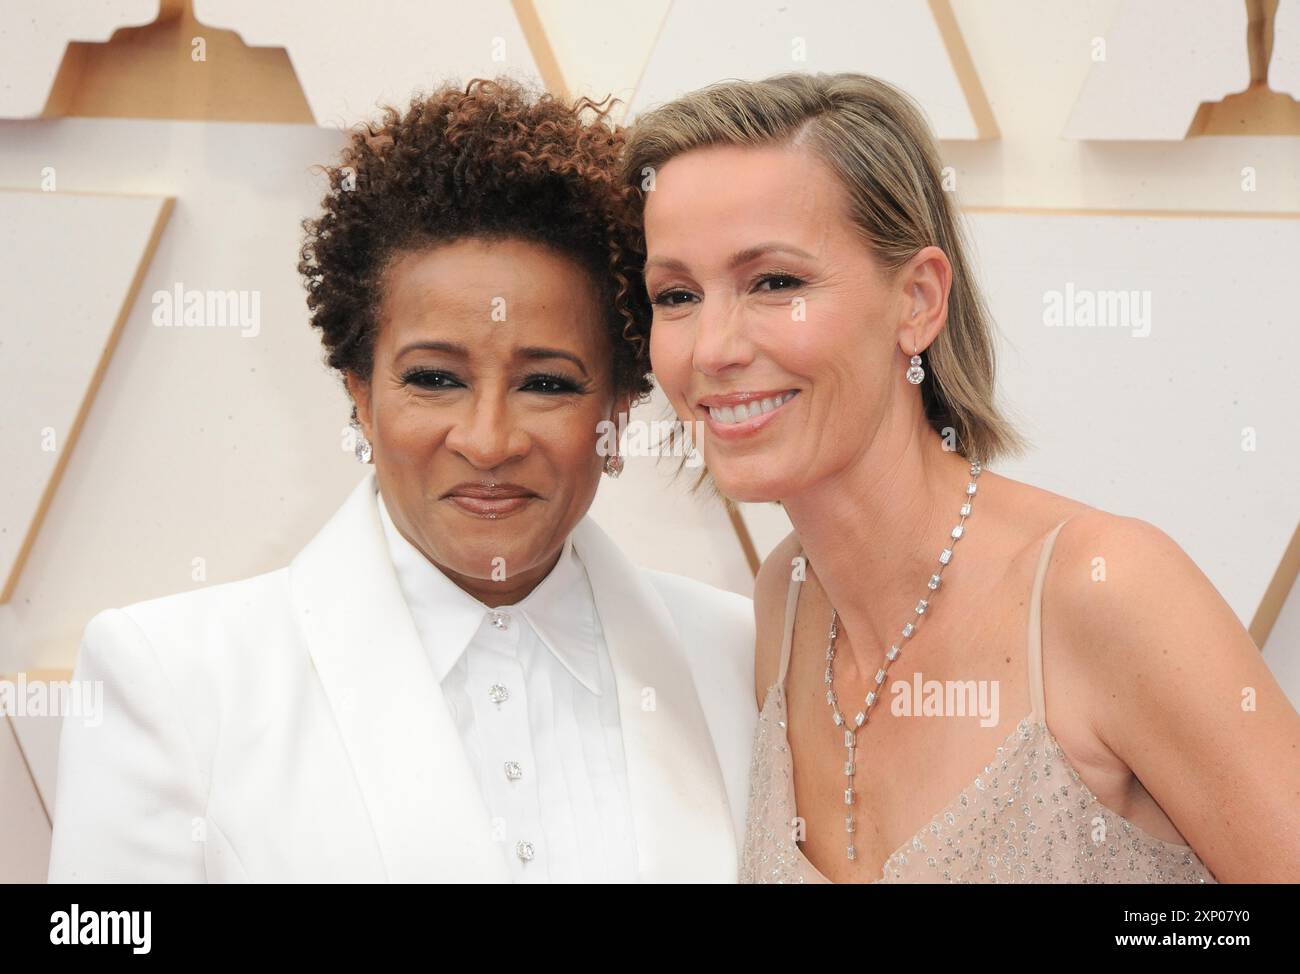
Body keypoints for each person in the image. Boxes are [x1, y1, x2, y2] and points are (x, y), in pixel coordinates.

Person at [47, 77, 755, 883]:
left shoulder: (741, 658)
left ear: (622, 400)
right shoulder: (171, 680)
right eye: (434, 379)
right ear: (360, 389)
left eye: (548, 384)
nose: (488, 441)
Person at [624, 71, 1300, 883]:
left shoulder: (1103, 591)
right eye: (677, 294)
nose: (712, 349)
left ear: (917, 300)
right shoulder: (787, 602)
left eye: (776, 283)